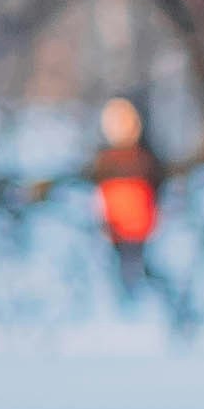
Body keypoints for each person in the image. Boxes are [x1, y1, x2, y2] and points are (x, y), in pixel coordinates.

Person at [87, 95, 168, 303]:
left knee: (137, 266)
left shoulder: (145, 159)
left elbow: (158, 187)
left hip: (139, 227)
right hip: (117, 228)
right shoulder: (104, 162)